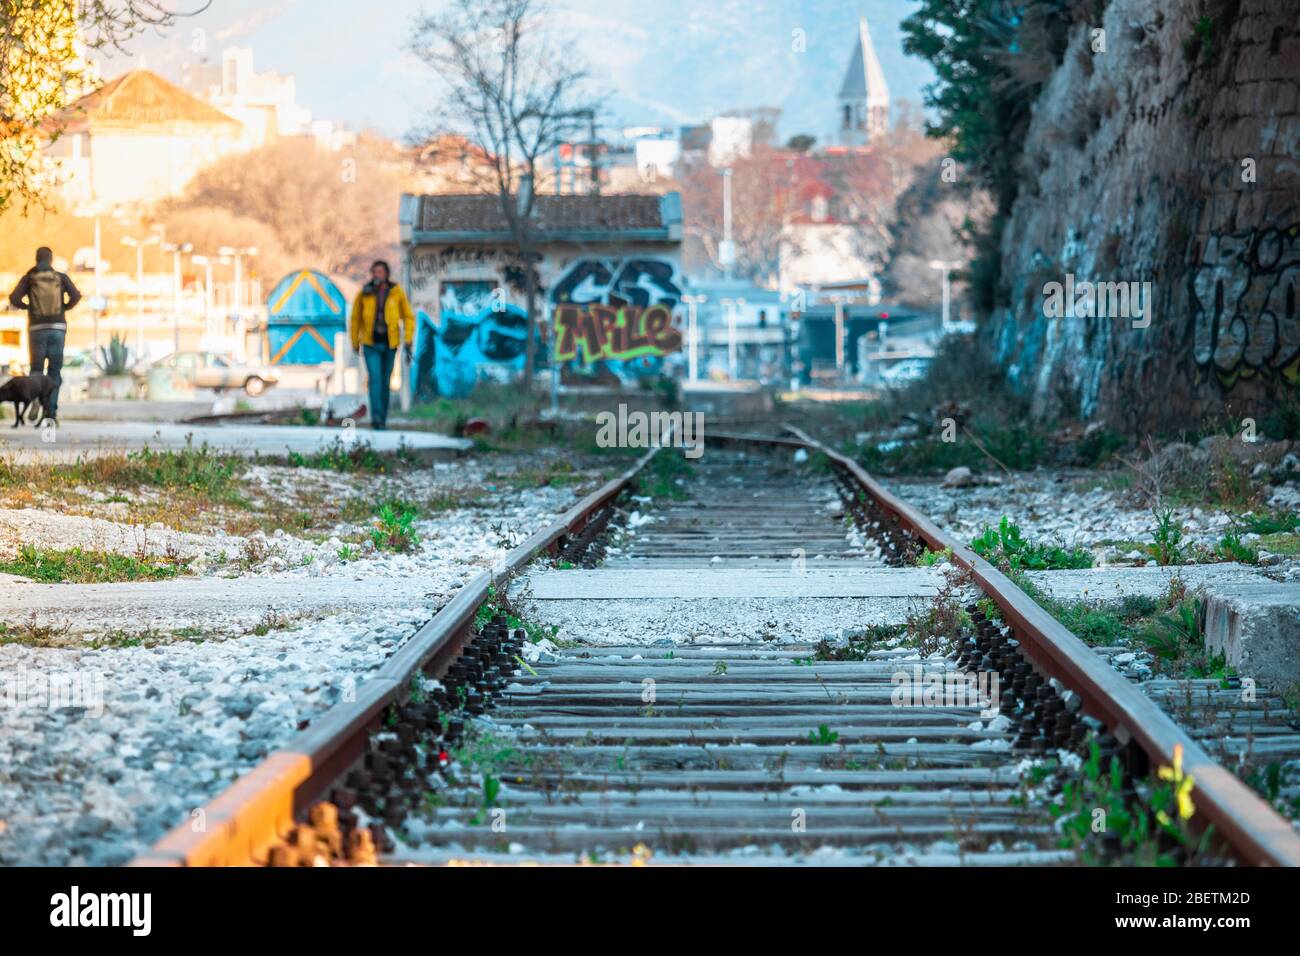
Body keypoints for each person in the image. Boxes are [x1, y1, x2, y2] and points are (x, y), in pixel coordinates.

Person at [8, 246, 81, 422]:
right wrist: (64, 308)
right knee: (54, 371)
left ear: (36, 259)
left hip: (36, 329)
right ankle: (50, 412)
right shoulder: (60, 278)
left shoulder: (30, 278)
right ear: (51, 260)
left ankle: (34, 399)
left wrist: (29, 308)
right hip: (57, 328)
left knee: (36, 370)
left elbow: (14, 298)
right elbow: (76, 296)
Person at [350, 260, 414, 430]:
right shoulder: (365, 293)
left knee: (386, 381)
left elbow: (408, 316)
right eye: (374, 272)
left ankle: (383, 418)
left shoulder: (396, 292)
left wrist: (408, 339)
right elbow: (355, 318)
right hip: (370, 344)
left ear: (386, 274)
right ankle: (376, 418)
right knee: (375, 380)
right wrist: (355, 341)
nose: (376, 275)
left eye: (379, 272)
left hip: (390, 344)